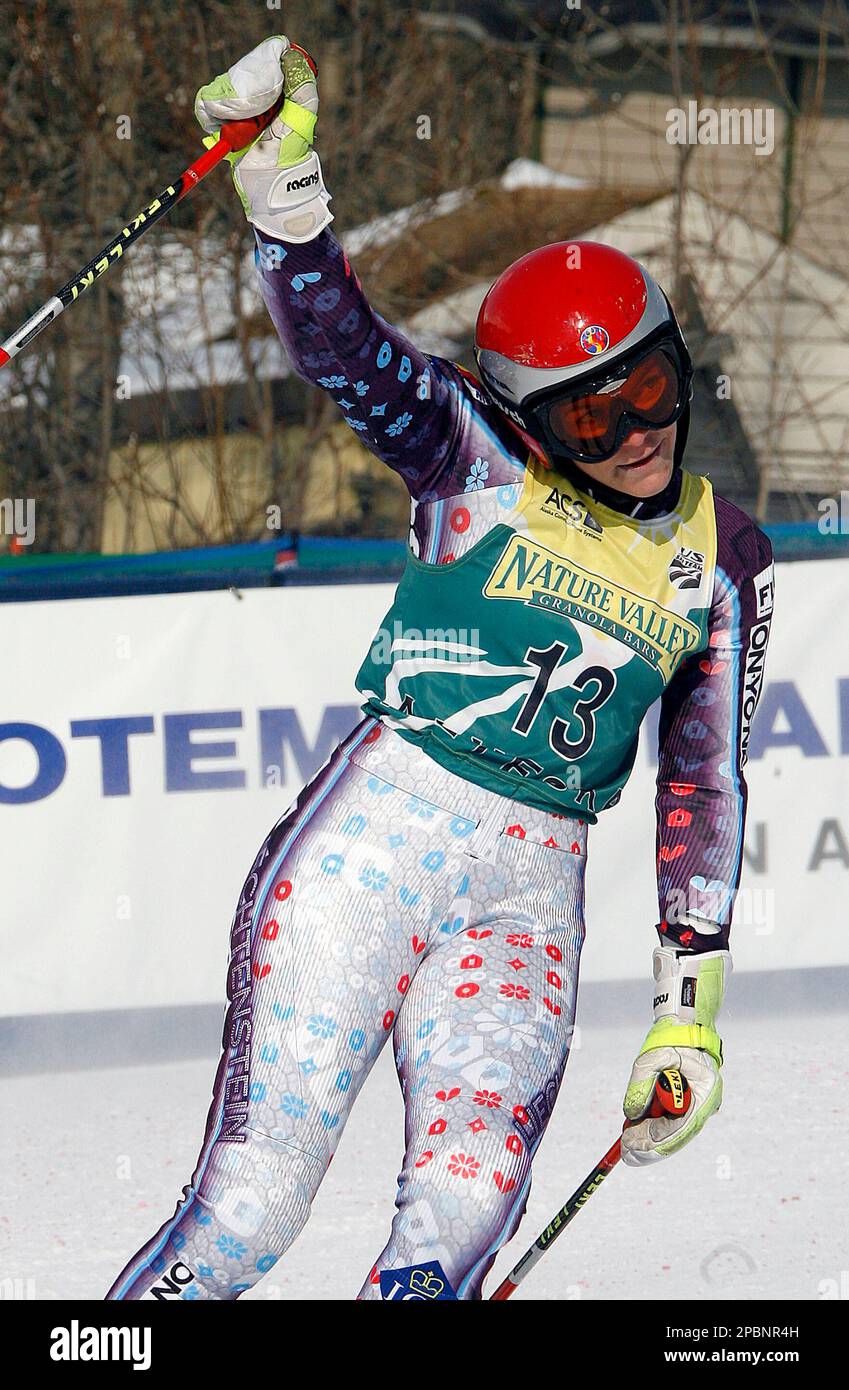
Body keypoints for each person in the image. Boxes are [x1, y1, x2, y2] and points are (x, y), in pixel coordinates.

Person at [107, 36, 774, 1302]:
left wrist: (687, 1007)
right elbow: (347, 350)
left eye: (653, 387)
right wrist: (288, 201)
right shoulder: (472, 456)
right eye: (596, 414)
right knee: (252, 1205)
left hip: (534, 885)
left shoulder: (725, 555)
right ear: (532, 415)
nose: (640, 432)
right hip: (383, 830)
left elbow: (704, 785)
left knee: (458, 1220)